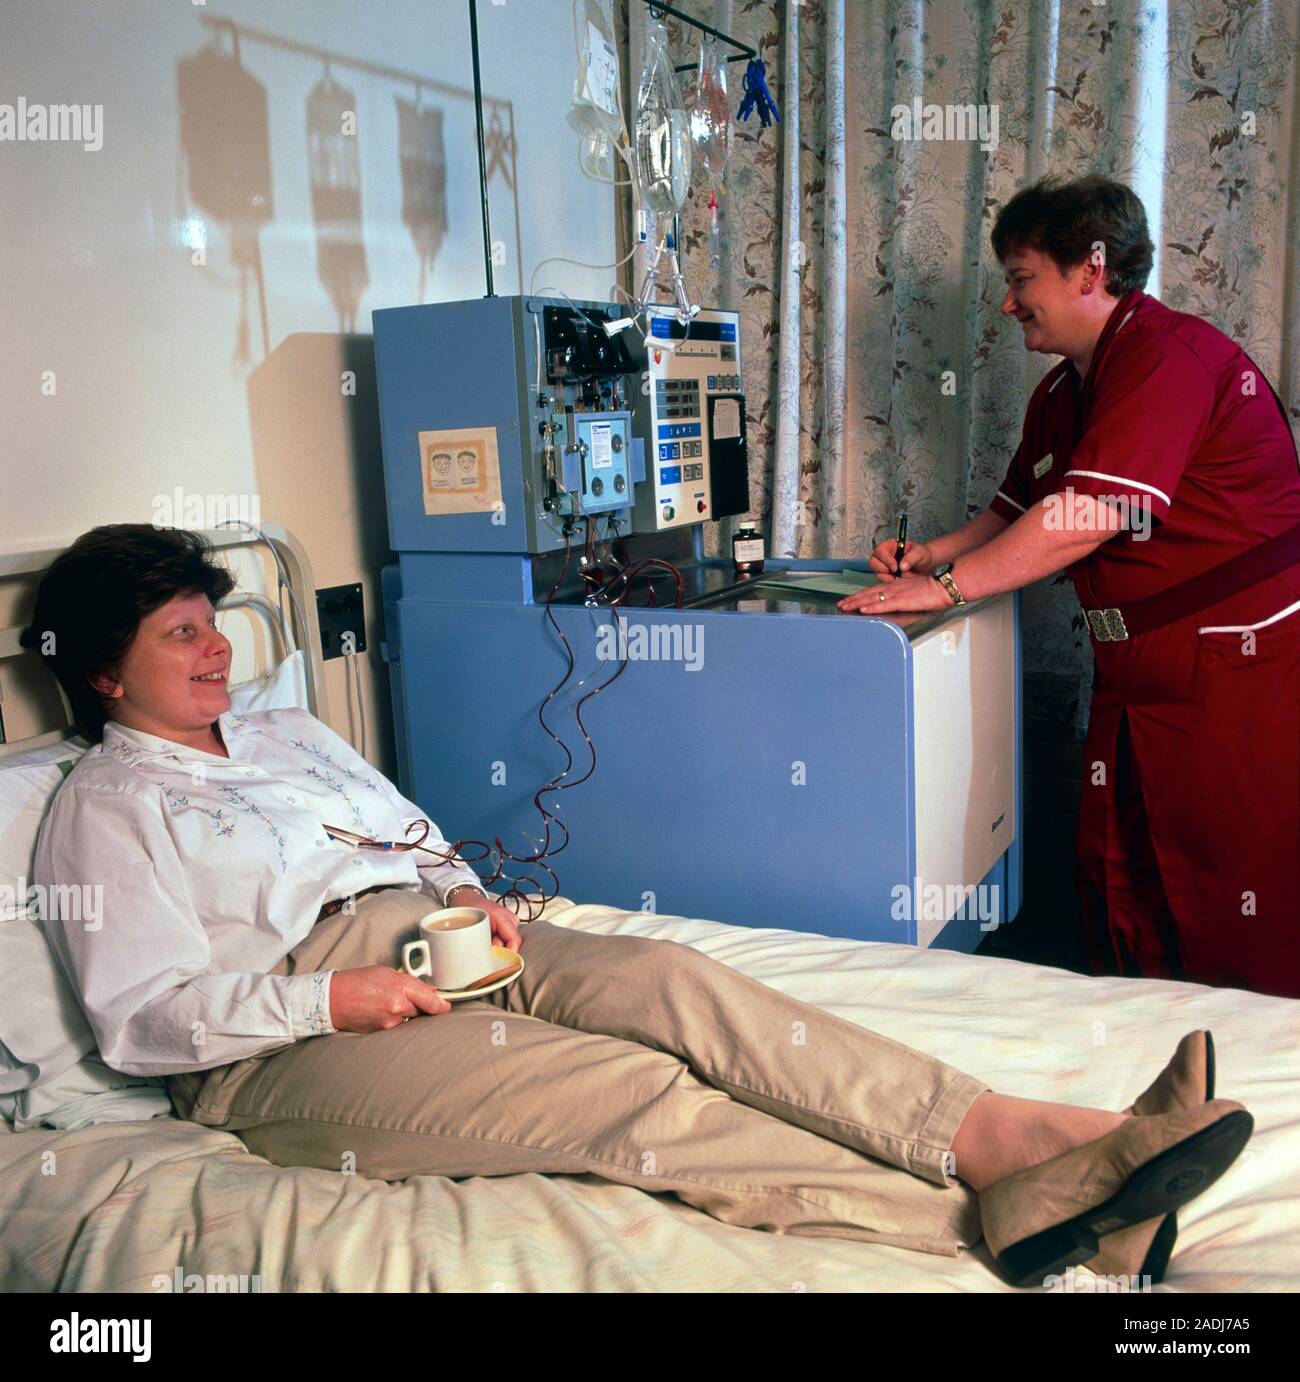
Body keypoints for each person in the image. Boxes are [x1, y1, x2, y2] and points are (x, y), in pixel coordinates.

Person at [24, 524, 1252, 1288]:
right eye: (178, 633)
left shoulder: (286, 728)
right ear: (99, 668)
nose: (215, 650)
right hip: (287, 1043)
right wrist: (329, 994)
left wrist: (461, 892)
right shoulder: (107, 803)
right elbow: (142, 1018)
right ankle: (1017, 1220)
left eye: (215, 624)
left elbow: (403, 825)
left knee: (675, 986)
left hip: (433, 936)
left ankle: (1012, 1135)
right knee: (630, 1095)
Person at [842, 173, 1300, 1002]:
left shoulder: (1169, 359)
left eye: (1021, 280)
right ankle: (1144, 1065)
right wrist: (930, 554)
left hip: (1238, 670)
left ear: (1090, 270)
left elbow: (1087, 514)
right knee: (1127, 879)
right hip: (1136, 672)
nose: (1009, 305)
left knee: (1231, 897)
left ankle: (1257, 1096)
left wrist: (945, 590)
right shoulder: (1063, 391)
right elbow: (1018, 509)